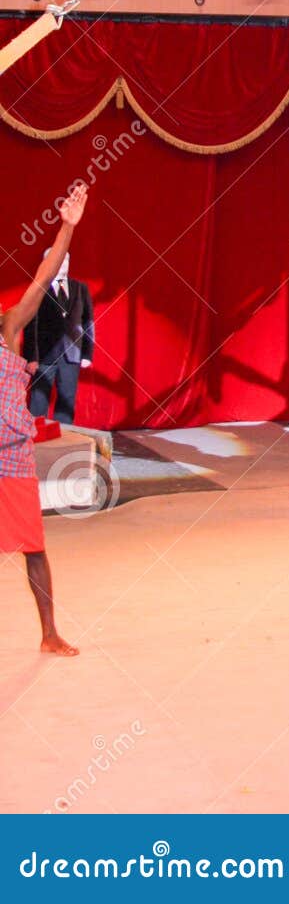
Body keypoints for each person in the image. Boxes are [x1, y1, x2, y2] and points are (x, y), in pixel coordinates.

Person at [1, 183, 88, 654]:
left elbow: (44, 273)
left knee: (33, 546)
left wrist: (67, 227)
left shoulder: (9, 327)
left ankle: (49, 633)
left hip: (12, 459)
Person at [23, 250, 94, 425]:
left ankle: (64, 439)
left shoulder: (80, 288)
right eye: (58, 261)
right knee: (39, 399)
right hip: (44, 356)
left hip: (72, 355)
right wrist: (31, 357)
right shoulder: (38, 289)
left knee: (67, 400)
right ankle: (36, 438)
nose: (63, 265)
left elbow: (88, 323)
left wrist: (87, 354)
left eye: (65, 261)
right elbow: (31, 325)